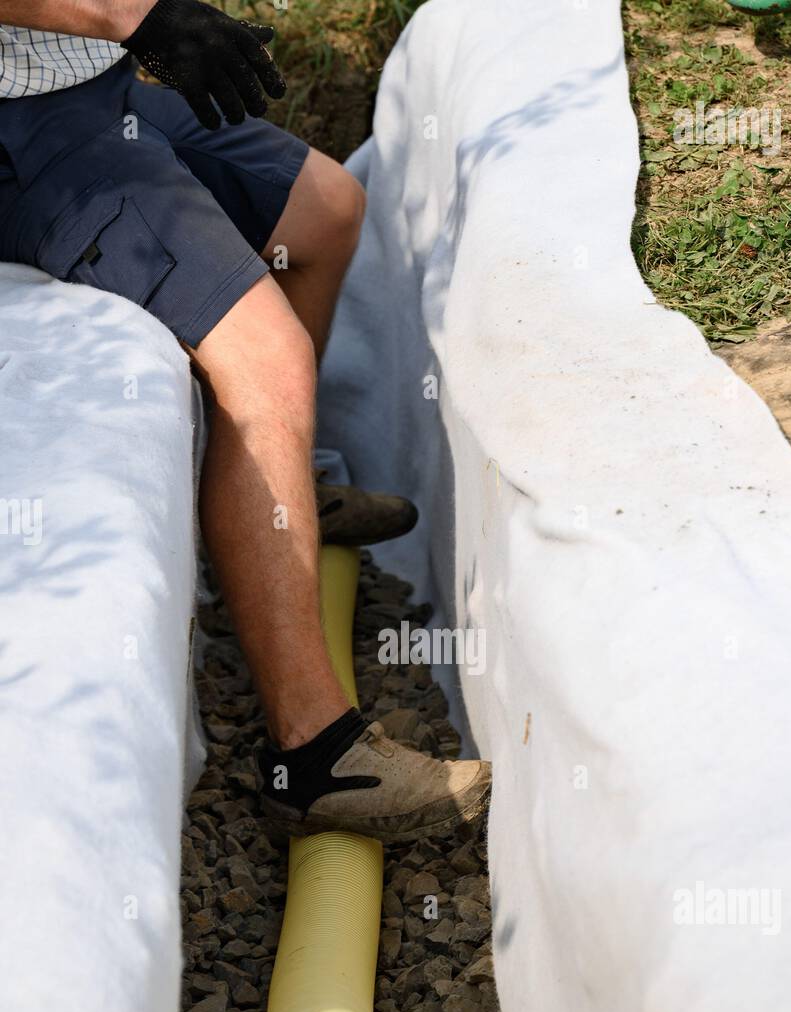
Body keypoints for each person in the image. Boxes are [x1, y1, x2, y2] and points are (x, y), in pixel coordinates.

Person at [0, 1, 491, 842]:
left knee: (323, 212)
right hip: (27, 138)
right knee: (268, 360)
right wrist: (136, 16)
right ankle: (313, 755)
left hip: (97, 87)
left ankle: (277, 501)